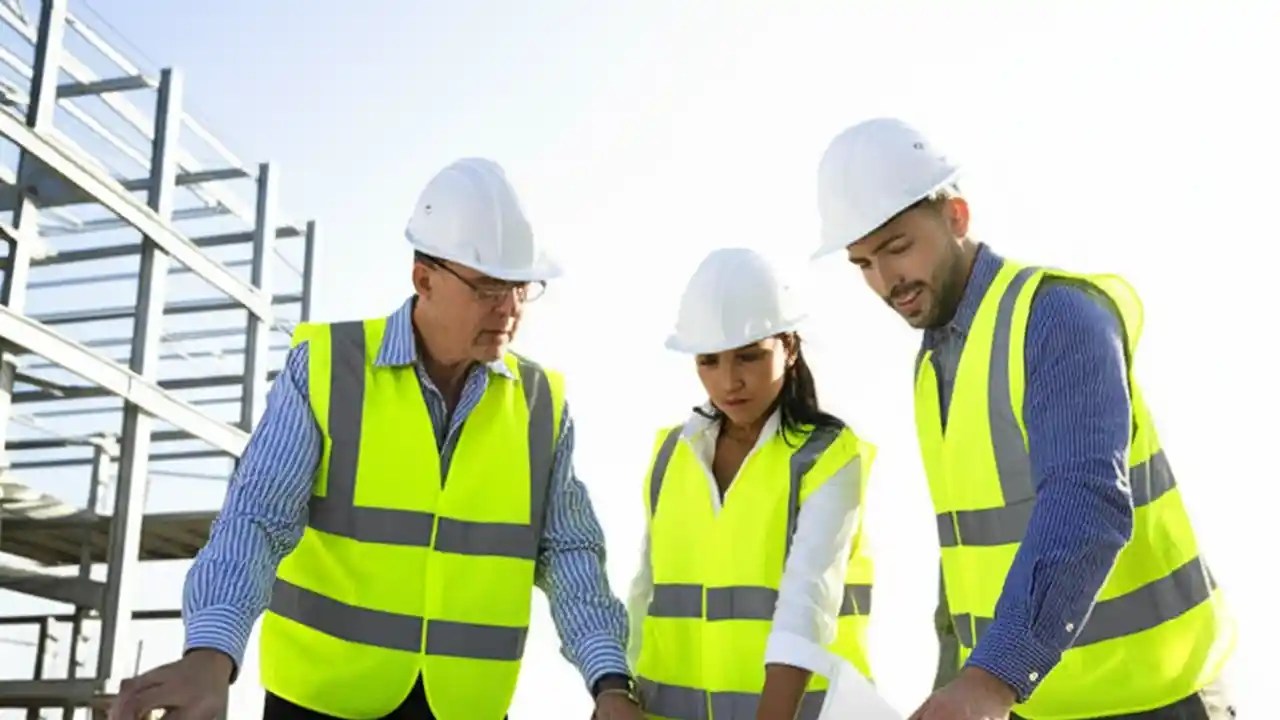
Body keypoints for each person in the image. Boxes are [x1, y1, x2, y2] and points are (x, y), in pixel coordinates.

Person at [109, 158, 644, 720]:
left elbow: (569, 553)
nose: (508, 308)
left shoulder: (541, 404)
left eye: (519, 286)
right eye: (488, 286)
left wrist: (609, 683)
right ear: (424, 278)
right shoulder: (325, 369)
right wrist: (211, 655)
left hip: (467, 710)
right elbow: (257, 519)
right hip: (319, 706)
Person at [812, 117, 1238, 720]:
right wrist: (955, 682)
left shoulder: (1056, 316)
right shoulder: (936, 360)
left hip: (1157, 700)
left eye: (897, 248)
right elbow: (965, 551)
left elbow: (1086, 499)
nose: (886, 282)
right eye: (862, 264)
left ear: (956, 216)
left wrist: (991, 679)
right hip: (1031, 705)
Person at [627, 247, 878, 720]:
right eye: (709, 361)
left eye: (749, 357)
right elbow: (645, 597)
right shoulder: (670, 454)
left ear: (790, 346)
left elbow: (808, 602)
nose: (729, 382)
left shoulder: (828, 455)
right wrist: (616, 690)